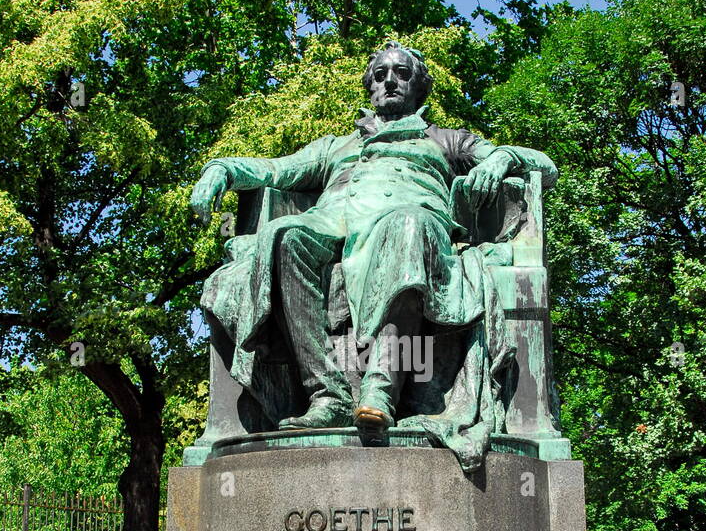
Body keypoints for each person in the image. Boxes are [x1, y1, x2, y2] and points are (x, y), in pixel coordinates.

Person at [190, 42, 556, 469]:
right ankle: (327, 394)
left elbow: (543, 167)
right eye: (380, 74)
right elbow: (274, 169)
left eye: (401, 73)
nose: (389, 80)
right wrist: (220, 168)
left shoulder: (444, 139)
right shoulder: (336, 146)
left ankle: (380, 389)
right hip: (335, 224)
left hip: (411, 224)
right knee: (285, 235)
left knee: (404, 225)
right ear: (369, 87)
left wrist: (500, 160)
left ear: (418, 87)